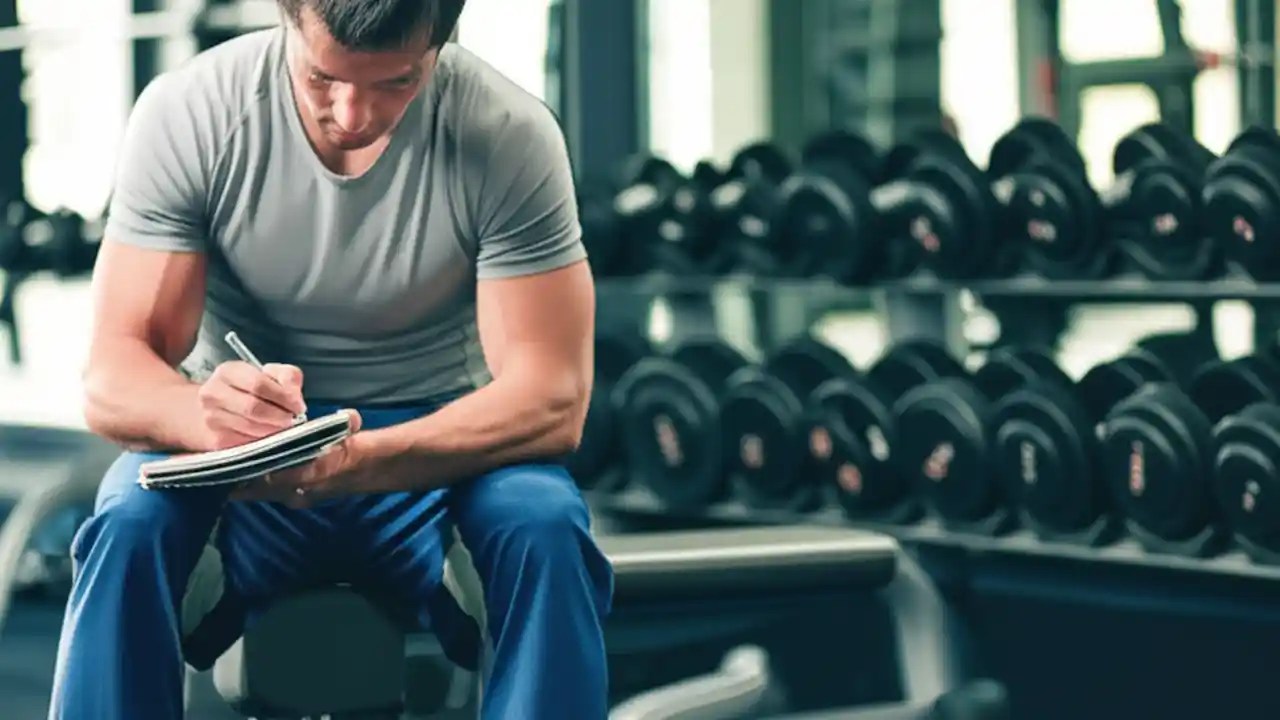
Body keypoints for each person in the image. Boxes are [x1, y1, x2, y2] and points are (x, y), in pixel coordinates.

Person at [46, 1, 613, 718]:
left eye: (396, 83)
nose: (352, 114)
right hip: (244, 452)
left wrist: (361, 459)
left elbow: (554, 398)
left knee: (546, 525)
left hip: (434, 450)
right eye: (323, 78)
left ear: (441, 44)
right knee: (128, 522)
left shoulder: (506, 134)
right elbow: (111, 376)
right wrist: (203, 414)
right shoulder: (193, 113)